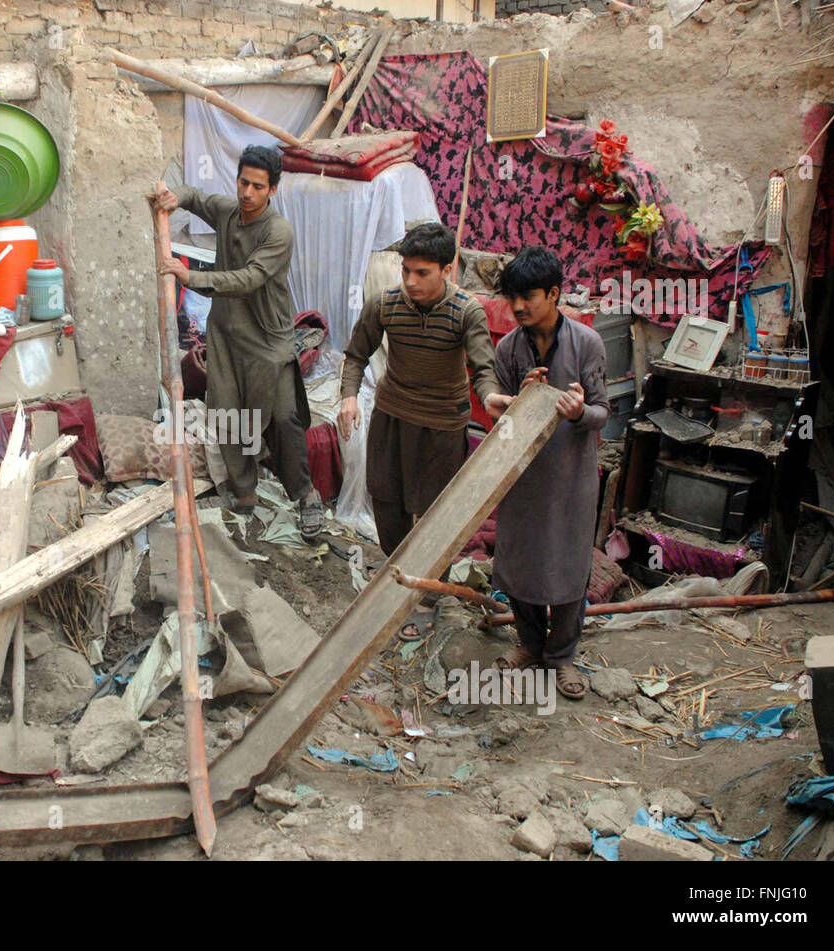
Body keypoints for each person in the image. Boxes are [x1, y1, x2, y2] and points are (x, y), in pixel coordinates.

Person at [151, 144, 324, 542]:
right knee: (228, 414)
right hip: (226, 335)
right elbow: (198, 198)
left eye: (258, 186)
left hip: (267, 338)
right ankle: (245, 493)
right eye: (243, 182)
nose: (247, 192)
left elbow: (248, 279)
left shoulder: (278, 232)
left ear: (273, 190)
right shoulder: (229, 210)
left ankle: (305, 495)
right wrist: (178, 196)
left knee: (283, 417)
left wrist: (192, 277)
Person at [484, 246, 609, 701]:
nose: (518, 308)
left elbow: (603, 412)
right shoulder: (508, 348)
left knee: (568, 564)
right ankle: (529, 645)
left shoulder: (587, 344)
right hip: (522, 475)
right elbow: (497, 408)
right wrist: (515, 400)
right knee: (519, 562)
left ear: (555, 294)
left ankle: (562, 657)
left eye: (528, 298)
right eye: (511, 298)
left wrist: (578, 412)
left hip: (570, 475)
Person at [337, 222, 501, 557]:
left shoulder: (467, 312)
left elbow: (483, 369)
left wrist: (489, 396)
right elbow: (355, 355)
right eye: (406, 270)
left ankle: (430, 586)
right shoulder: (385, 305)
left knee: (436, 512)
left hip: (441, 427)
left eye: (422, 273)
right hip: (392, 417)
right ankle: (396, 577)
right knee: (386, 501)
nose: (411, 282)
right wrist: (349, 397)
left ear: (446, 270)